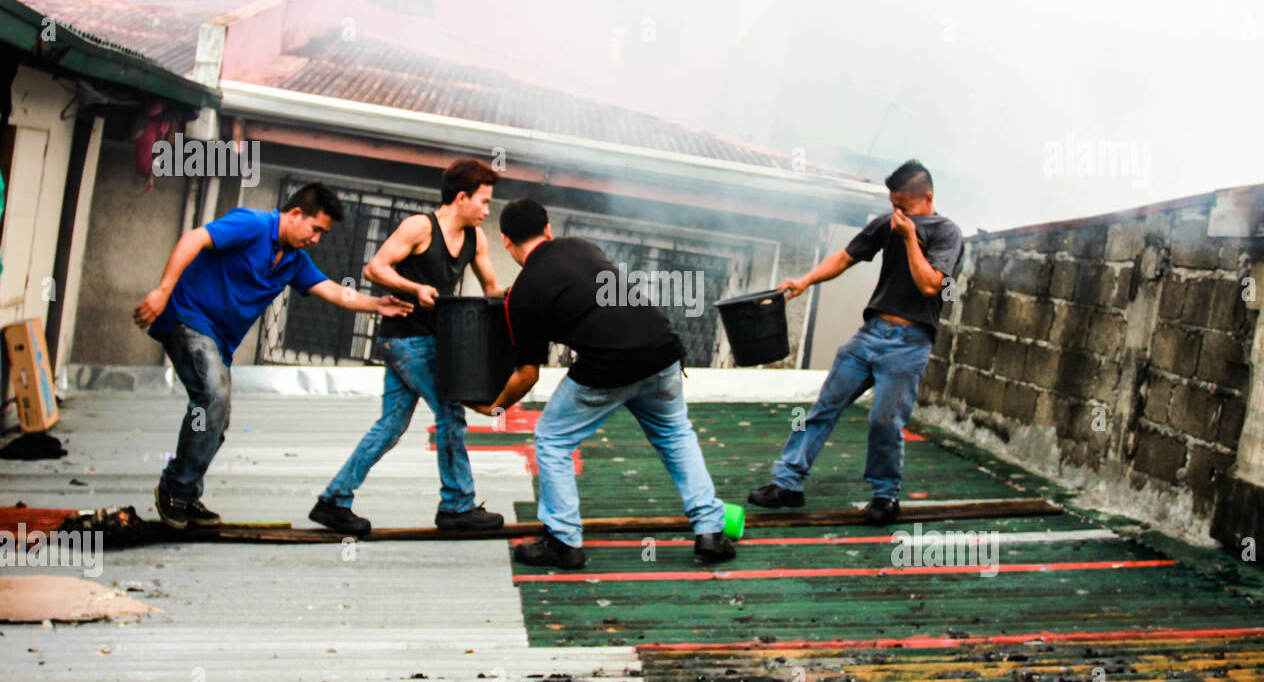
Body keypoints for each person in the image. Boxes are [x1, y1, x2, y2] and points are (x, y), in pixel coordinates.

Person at [469, 198, 735, 569]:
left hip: (608, 368)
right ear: (548, 229)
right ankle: (710, 532)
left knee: (553, 438)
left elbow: (527, 374)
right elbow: (576, 291)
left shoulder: (525, 293)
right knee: (676, 434)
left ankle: (563, 542)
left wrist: (495, 407)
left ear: (506, 242)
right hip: (663, 351)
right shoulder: (581, 246)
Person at [133, 182, 413, 529]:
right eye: (315, 229)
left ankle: (186, 493)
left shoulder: (294, 261)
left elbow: (333, 291)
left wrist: (376, 304)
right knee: (212, 395)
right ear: (295, 214)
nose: (316, 239)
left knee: (216, 417)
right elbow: (195, 239)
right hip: (187, 317)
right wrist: (162, 290)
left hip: (219, 340)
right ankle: (174, 489)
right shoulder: (252, 224)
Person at [748, 160, 964, 524]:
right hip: (870, 334)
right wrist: (804, 281)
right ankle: (787, 484)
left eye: (904, 206)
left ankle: (885, 496)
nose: (896, 213)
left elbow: (931, 285)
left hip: (909, 342)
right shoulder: (887, 223)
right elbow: (846, 257)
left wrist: (911, 237)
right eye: (893, 204)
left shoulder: (947, 233)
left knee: (885, 421)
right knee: (822, 408)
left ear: (927, 197)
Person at [310, 159, 506, 536]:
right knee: (451, 414)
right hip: (406, 338)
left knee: (391, 425)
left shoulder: (475, 239)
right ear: (461, 197)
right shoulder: (420, 226)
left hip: (435, 339)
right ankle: (457, 506)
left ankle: (333, 501)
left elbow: (492, 289)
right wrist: (413, 289)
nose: (486, 210)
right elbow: (375, 268)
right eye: (483, 202)